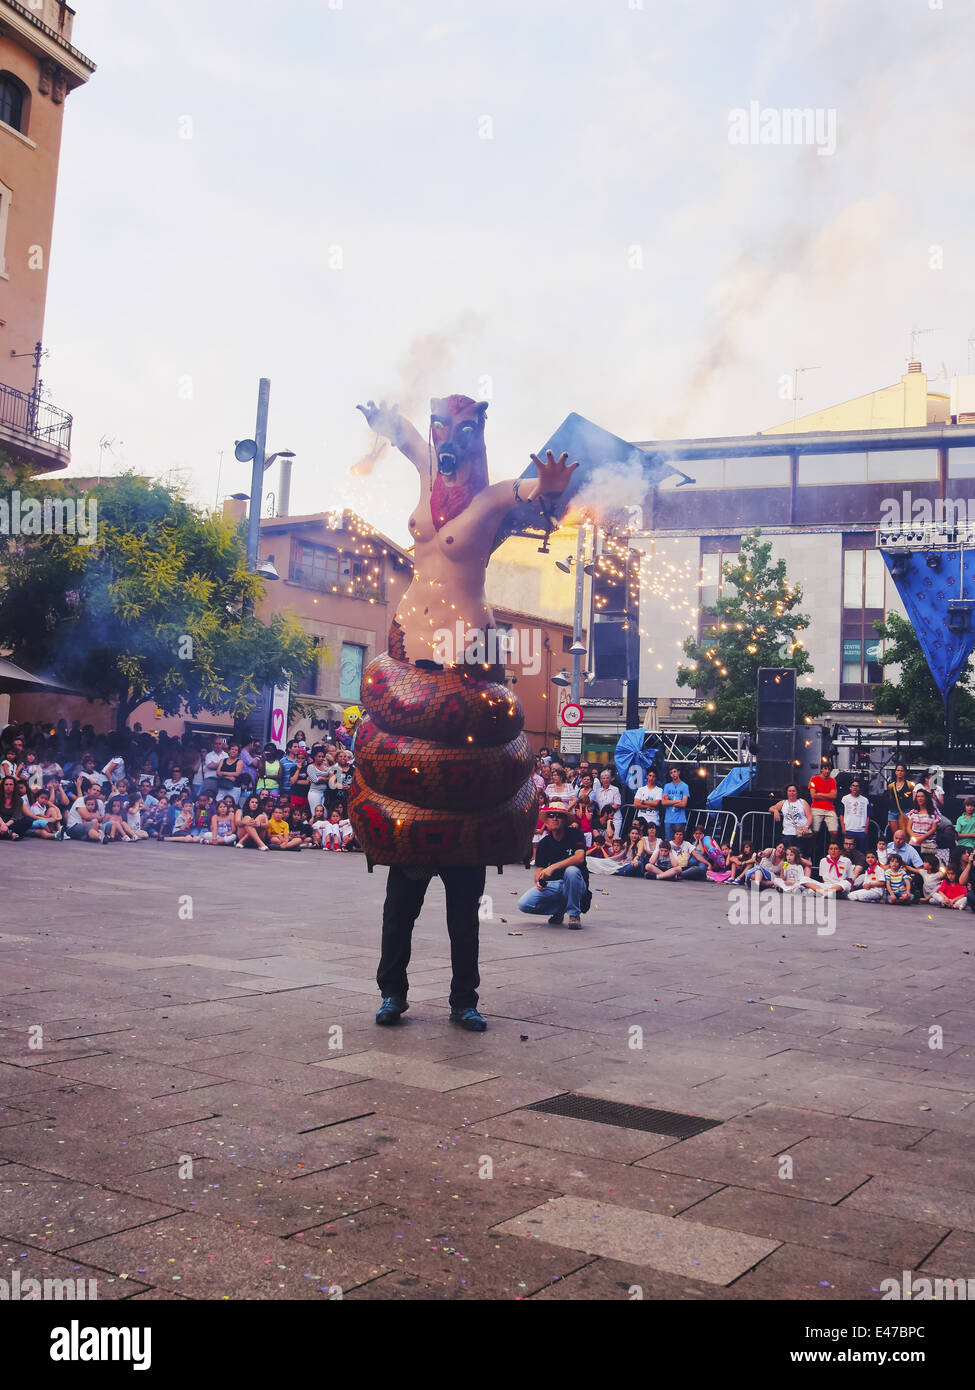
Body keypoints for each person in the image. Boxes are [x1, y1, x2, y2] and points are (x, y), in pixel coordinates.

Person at [352, 394, 577, 1033]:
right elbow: (403, 440)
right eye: (441, 430)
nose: (448, 443)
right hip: (407, 653)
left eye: (463, 431)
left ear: (480, 436)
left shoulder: (494, 497)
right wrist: (384, 421)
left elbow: (535, 494)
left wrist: (552, 488)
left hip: (466, 654)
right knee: (402, 899)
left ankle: (464, 999)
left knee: (461, 902)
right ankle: (392, 991)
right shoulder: (429, 471)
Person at [517, 804, 589, 929]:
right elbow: (539, 869)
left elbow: (579, 857)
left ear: (565, 820)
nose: (555, 818)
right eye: (551, 816)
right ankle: (559, 909)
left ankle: (574, 915)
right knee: (524, 904)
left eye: (559, 816)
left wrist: (552, 867)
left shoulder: (575, 834)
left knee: (571, 871)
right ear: (547, 821)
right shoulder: (544, 843)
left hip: (576, 883)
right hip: (555, 885)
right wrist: (539, 880)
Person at [808, 761, 839, 847]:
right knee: (813, 832)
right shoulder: (814, 779)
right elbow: (813, 795)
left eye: (829, 769)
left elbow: (833, 796)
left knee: (834, 832)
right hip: (816, 808)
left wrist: (820, 794)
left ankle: (832, 851)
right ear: (821, 769)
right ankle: (810, 853)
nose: (827, 771)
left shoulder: (832, 781)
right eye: (825, 769)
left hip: (830, 809)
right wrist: (827, 796)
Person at [840, 779, 870, 854]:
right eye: (853, 786)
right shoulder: (845, 799)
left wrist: (866, 829)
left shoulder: (865, 800)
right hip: (849, 829)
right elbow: (841, 815)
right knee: (847, 852)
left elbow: (868, 816)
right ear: (850, 787)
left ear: (859, 788)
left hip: (861, 830)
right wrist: (843, 828)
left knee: (861, 851)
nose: (855, 787)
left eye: (857, 786)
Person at [591, 767, 622, 840]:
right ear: (601, 780)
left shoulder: (615, 789)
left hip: (614, 817)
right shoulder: (598, 791)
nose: (605, 780)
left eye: (607, 778)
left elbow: (617, 804)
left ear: (610, 779)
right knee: (604, 838)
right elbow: (596, 805)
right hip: (603, 819)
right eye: (603, 778)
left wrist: (606, 812)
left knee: (614, 838)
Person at [886, 763, 914, 837]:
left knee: (904, 835)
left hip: (905, 811)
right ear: (895, 772)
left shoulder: (909, 784)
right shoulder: (891, 786)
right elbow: (890, 798)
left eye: (902, 770)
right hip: (893, 811)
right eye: (898, 770)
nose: (900, 772)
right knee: (896, 835)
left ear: (904, 772)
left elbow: (913, 798)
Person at [661, 766, 690, 838]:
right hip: (668, 819)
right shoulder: (667, 786)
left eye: (675, 772)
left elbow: (683, 804)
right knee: (668, 841)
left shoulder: (684, 786)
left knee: (679, 840)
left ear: (678, 772)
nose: (673, 774)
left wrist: (669, 801)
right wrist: (677, 801)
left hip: (680, 819)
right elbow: (663, 802)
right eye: (671, 773)